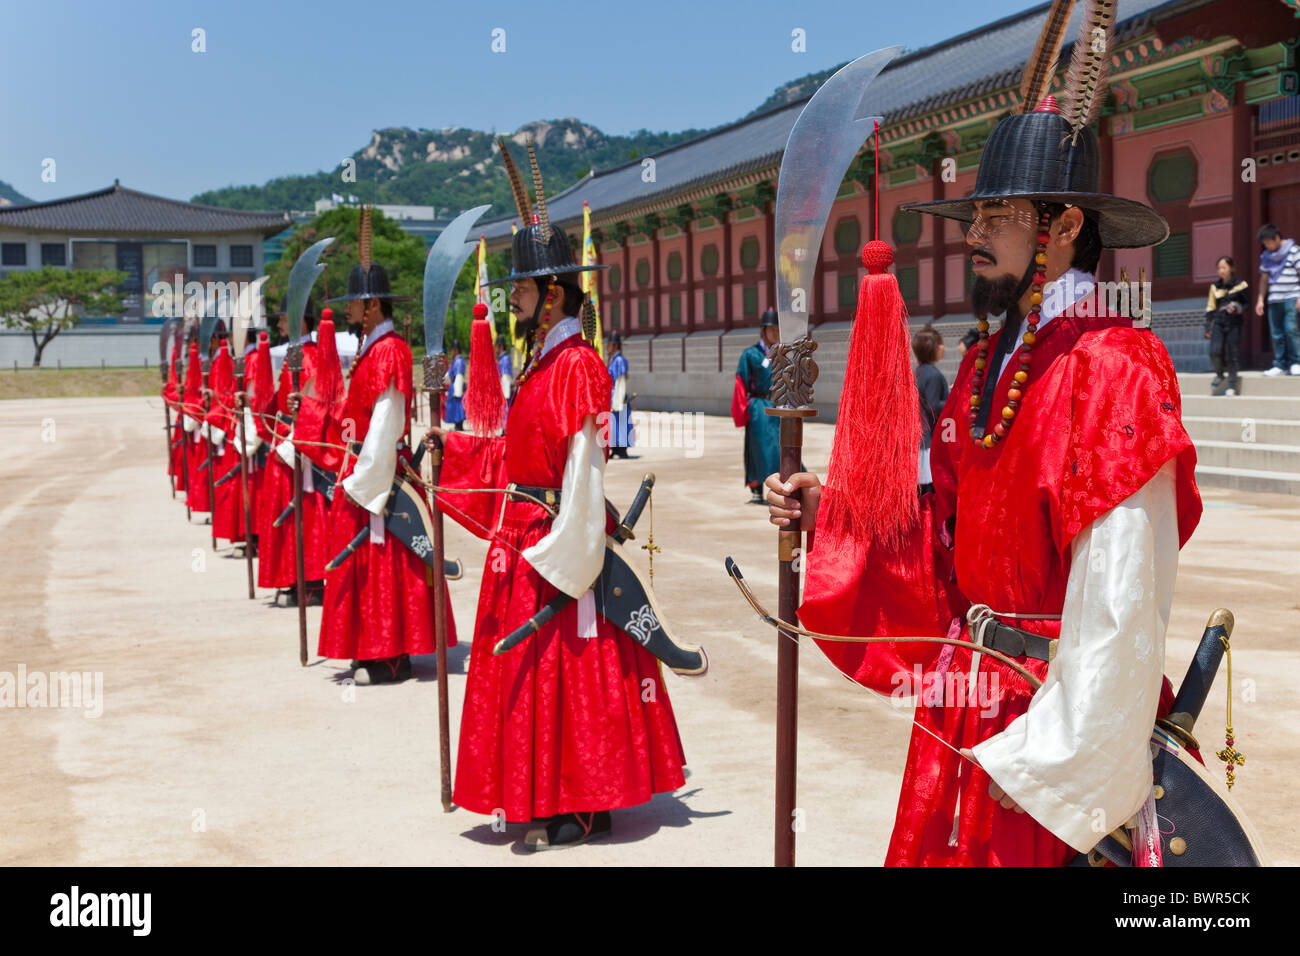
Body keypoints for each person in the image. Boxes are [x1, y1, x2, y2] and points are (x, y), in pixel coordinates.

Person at [766, 72, 1203, 865]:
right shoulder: (982, 372)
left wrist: (1057, 756)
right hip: (968, 699)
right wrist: (828, 514)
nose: (974, 233)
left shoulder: (1116, 365)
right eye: (975, 215)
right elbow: (940, 553)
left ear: (1064, 224)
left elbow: (1125, 592)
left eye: (996, 216)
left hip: (1048, 715)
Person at [430, 141, 685, 850]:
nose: (512, 299)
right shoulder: (541, 363)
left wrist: (567, 555)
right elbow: (518, 457)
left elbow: (584, 468)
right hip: (528, 534)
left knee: (571, 664)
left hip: (555, 541)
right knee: (528, 672)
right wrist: (448, 450)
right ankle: (540, 790)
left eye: (520, 290)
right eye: (513, 290)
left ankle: (581, 797)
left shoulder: (575, 365)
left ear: (553, 296)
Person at [317, 217, 456, 685]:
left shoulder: (391, 350)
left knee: (384, 561)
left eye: (354, 302)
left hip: (378, 474)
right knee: (366, 564)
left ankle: (391, 653)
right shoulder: (371, 350)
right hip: (362, 467)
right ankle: (370, 647)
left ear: (372, 305)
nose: (349, 309)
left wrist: (366, 479)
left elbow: (387, 418)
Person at [733, 308, 781, 504]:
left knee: (780, 446)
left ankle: (783, 485)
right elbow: (740, 383)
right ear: (763, 331)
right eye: (772, 329)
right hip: (759, 406)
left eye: (778, 329)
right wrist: (742, 410)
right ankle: (759, 487)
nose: (776, 333)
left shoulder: (782, 352)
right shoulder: (750, 354)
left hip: (778, 404)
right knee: (762, 447)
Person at [1255, 224, 1300, 376]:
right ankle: (1280, 364)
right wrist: (1260, 299)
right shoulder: (1266, 256)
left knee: (1291, 329)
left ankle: (1296, 362)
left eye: (1268, 242)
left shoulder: (1294, 251)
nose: (1267, 246)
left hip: (1291, 296)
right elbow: (1264, 279)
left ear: (1277, 237)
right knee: (1276, 333)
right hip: (1274, 298)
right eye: (1264, 244)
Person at [1204, 256, 1249, 396]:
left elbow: (1247, 304)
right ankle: (1220, 373)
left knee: (1231, 354)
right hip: (1218, 322)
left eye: (1224, 267)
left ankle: (1232, 386)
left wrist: (1237, 307)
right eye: (1219, 268)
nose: (1221, 271)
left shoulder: (1241, 285)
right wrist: (1207, 327)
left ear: (1232, 268)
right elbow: (1210, 308)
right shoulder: (1214, 287)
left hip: (1234, 323)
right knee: (1214, 351)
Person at [912, 324, 948, 494]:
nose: (943, 347)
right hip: (929, 438)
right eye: (940, 343)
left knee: (921, 488)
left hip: (920, 436)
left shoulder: (918, 372)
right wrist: (954, 399)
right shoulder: (933, 375)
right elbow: (934, 405)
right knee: (930, 489)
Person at [605, 331, 633, 459]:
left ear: (615, 346)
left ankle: (621, 449)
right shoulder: (613, 360)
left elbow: (620, 382)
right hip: (612, 396)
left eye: (609, 344)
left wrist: (618, 400)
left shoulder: (619, 360)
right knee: (613, 423)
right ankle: (615, 448)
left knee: (620, 423)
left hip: (618, 396)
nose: (607, 347)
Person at [444, 341, 466, 430]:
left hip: (457, 387)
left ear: (456, 350)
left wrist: (457, 390)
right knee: (456, 406)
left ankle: (459, 425)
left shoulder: (459, 361)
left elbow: (459, 375)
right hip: (455, 386)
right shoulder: (457, 361)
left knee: (458, 406)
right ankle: (458, 424)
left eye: (452, 350)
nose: (451, 352)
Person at [496, 336, 514, 401]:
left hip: (505, 396)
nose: (495, 349)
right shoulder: (501, 359)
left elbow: (506, 378)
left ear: (501, 347)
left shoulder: (505, 359)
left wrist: (505, 397)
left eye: (496, 347)